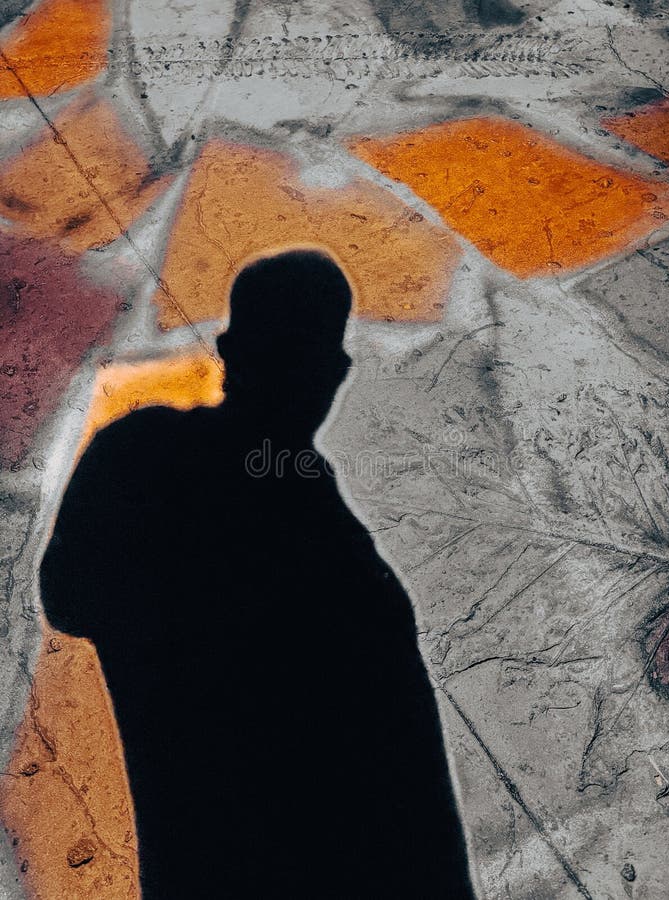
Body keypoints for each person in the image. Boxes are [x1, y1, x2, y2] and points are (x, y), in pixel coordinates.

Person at [40, 249, 475, 899]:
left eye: (318, 354)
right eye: (292, 348)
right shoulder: (162, 457)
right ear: (235, 348)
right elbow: (72, 593)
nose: (318, 374)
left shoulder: (298, 492)